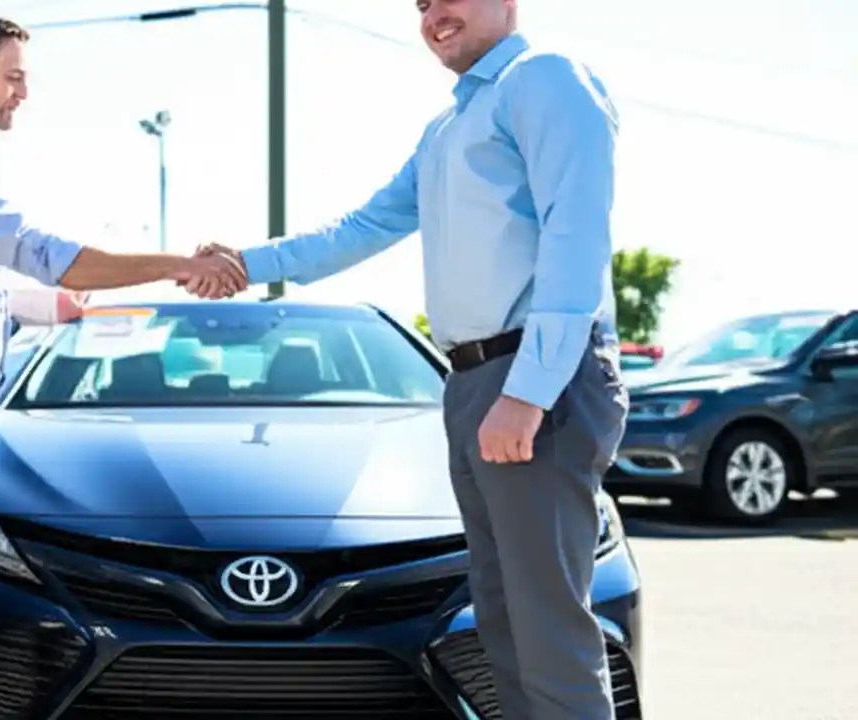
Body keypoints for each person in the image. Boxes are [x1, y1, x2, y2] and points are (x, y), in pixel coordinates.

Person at [190, 1, 627, 718]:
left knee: (550, 634)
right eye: (420, 4)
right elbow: (365, 226)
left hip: (534, 379)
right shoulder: (449, 127)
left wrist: (530, 391)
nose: (432, 15)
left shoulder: (546, 80)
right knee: (505, 628)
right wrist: (245, 262)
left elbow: (576, 239)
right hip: (475, 383)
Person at [0, 13, 246, 720]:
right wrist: (179, 264)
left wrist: (54, 307)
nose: (23, 94)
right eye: (14, 76)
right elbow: (36, 247)